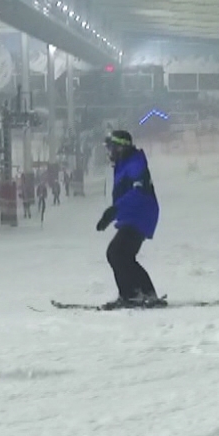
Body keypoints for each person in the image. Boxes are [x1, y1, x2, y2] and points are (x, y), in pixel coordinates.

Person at [95, 129, 161, 309]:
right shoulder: (124, 163)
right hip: (134, 214)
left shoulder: (134, 164)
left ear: (120, 148)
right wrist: (113, 213)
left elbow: (138, 192)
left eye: (111, 148)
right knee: (122, 255)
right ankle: (145, 293)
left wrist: (114, 210)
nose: (109, 153)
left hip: (141, 213)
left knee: (116, 253)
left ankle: (131, 295)